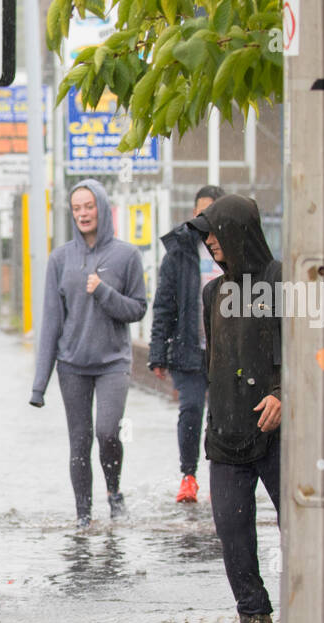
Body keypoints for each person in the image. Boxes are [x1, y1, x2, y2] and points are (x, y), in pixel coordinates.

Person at [187, 195, 282, 623]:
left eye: (215, 230)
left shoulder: (279, 280)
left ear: (239, 230)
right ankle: (255, 620)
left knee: (300, 527)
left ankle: (314, 616)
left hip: (277, 430)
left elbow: (303, 349)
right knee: (232, 528)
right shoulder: (213, 294)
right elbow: (215, 365)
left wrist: (285, 393)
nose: (208, 240)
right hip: (225, 433)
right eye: (204, 233)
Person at [30, 178, 147, 528]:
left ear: (102, 208)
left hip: (113, 363)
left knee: (107, 432)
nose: (83, 213)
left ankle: (114, 495)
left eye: (89, 206)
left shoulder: (127, 256)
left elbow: (138, 309)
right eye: (76, 208)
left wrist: (104, 292)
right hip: (72, 365)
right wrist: (39, 386)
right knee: (78, 443)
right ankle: (83, 516)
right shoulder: (60, 259)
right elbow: (51, 323)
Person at [148, 185, 225, 504]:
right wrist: (157, 354)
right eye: (198, 213)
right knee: (192, 409)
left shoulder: (234, 251)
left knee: (222, 417)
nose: (203, 219)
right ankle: (189, 476)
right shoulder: (179, 251)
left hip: (226, 352)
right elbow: (163, 303)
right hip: (188, 349)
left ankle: (222, 477)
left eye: (210, 213)